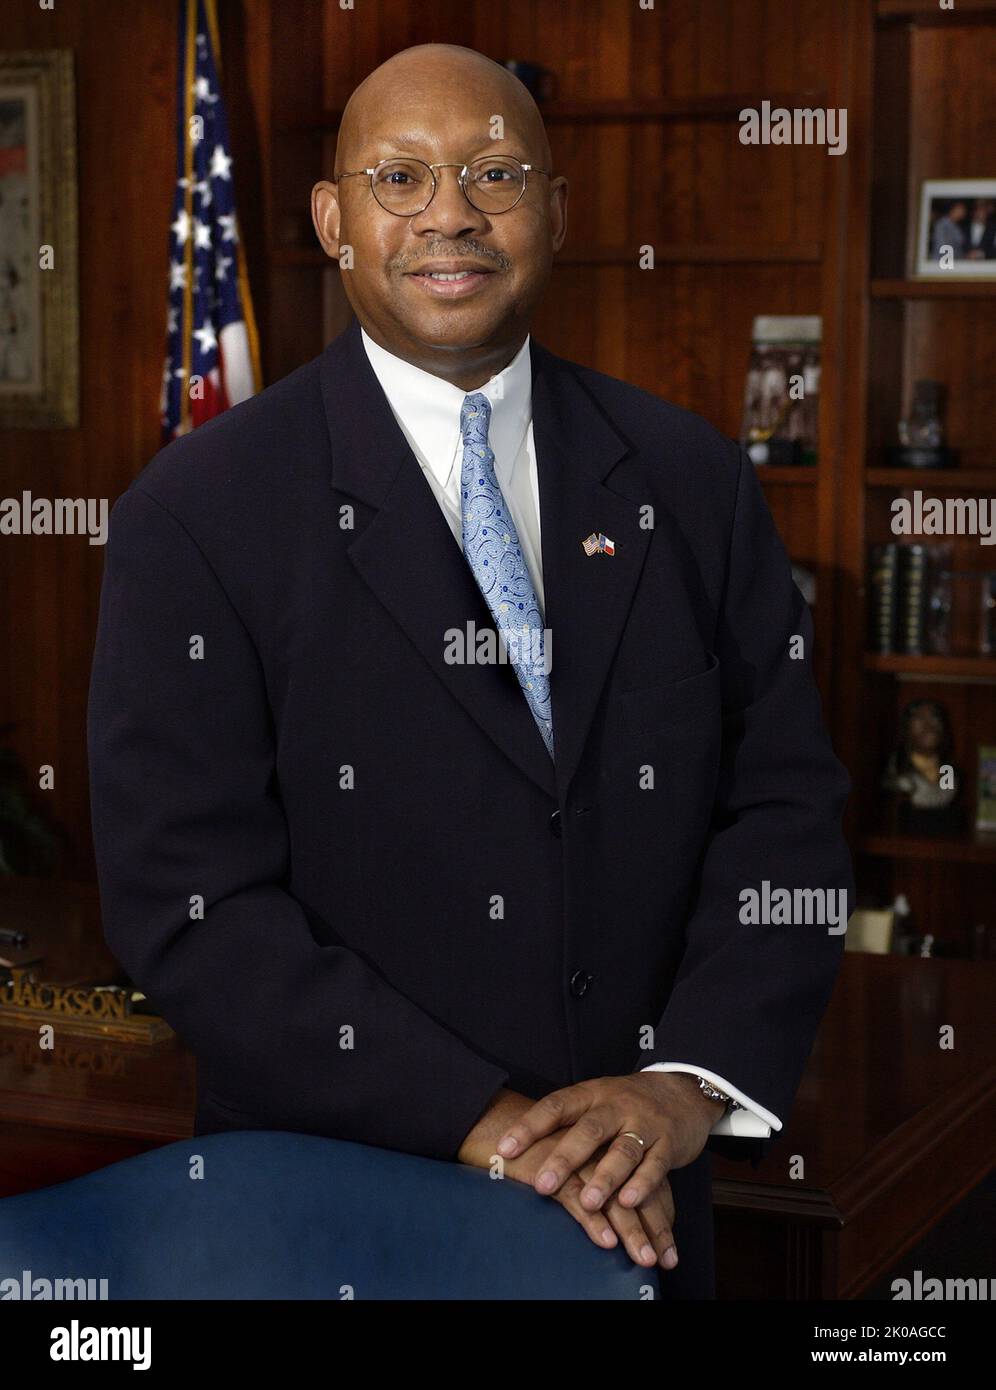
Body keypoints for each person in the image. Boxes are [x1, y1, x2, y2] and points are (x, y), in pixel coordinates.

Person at [87, 43, 854, 1299]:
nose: (450, 213)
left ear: (557, 209)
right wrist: (495, 1125)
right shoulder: (199, 513)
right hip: (330, 1214)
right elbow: (193, 906)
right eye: (400, 178)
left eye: (495, 175)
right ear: (332, 221)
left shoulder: (691, 480)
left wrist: (684, 1086)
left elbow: (785, 812)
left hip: (644, 1207)